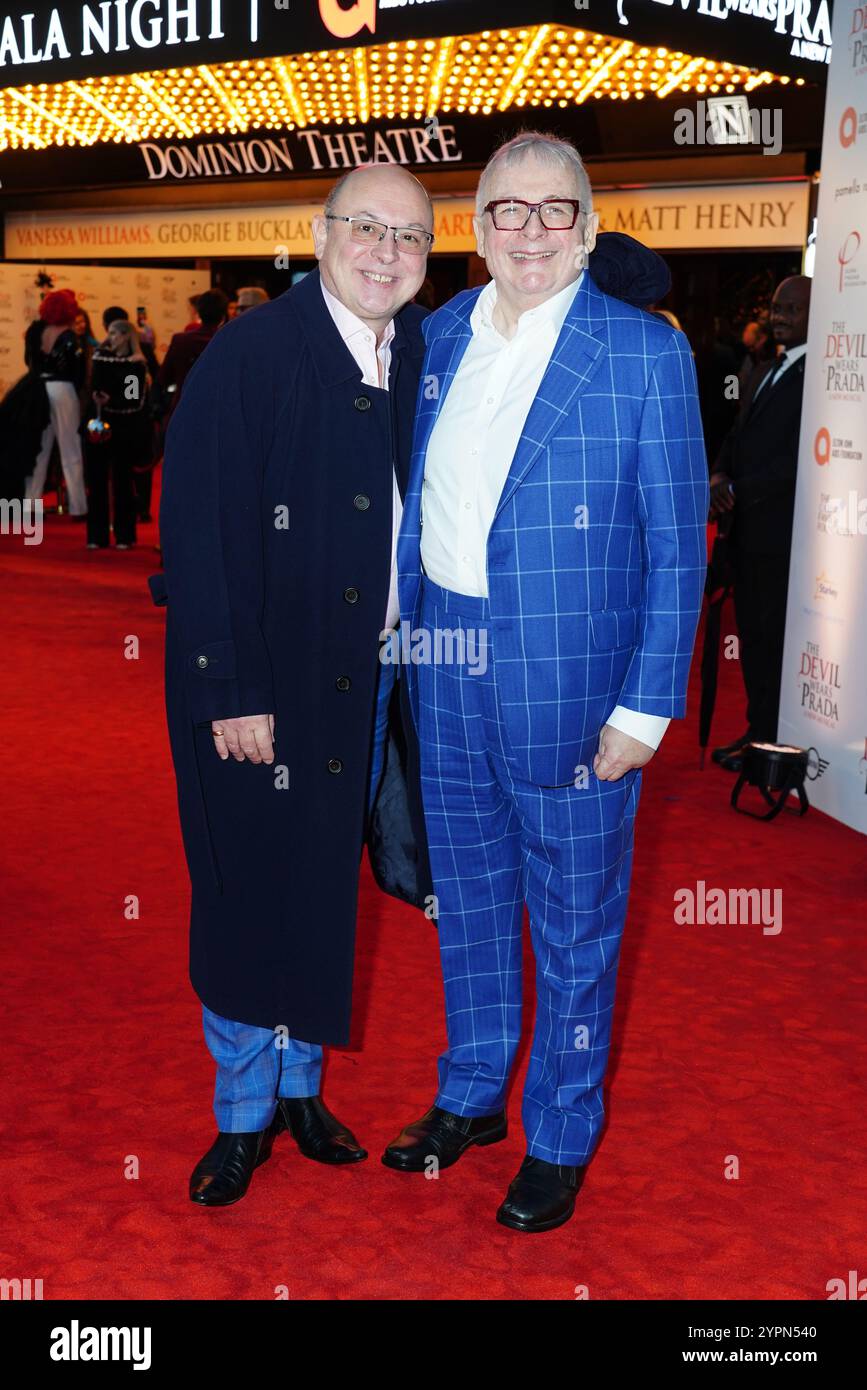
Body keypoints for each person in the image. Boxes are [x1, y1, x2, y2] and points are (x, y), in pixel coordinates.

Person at [385, 133, 709, 1233]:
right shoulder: (433, 338)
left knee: (577, 923)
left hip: (577, 681)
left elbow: (679, 543)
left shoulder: (643, 351)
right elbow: (409, 502)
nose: (530, 230)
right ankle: (472, 1093)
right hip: (445, 659)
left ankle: (561, 1131)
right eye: (508, 211)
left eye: (554, 209)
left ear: (588, 223)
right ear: (477, 227)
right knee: (466, 903)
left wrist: (647, 704)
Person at [156, 165, 437, 1208]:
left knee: (322, 884)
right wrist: (229, 686)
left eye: (410, 237)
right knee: (246, 894)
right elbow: (202, 531)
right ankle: (240, 1117)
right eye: (366, 228)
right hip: (259, 689)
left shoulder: (418, 353)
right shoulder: (253, 351)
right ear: (321, 236)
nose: (385, 252)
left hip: (366, 687)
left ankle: (300, 1089)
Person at [708, 277, 811, 769]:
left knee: (772, 644)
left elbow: (798, 458)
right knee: (750, 639)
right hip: (744, 537)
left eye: (793, 307)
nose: (780, 315)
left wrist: (742, 492)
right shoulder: (763, 369)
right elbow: (736, 435)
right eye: (776, 307)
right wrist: (719, 475)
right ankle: (757, 732)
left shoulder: (820, 377)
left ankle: (769, 739)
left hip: (784, 540)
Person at [84, 320, 151, 551]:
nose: (110, 337)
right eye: (109, 333)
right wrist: (97, 397)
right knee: (96, 481)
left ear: (126, 336)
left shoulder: (135, 366)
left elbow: (133, 399)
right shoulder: (100, 359)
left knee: (123, 483)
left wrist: (110, 400)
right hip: (99, 428)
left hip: (124, 430)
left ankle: (125, 535)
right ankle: (96, 535)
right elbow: (93, 385)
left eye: (115, 333)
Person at [24, 289, 87, 517]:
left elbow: (29, 361)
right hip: (63, 390)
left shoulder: (35, 332)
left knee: (39, 449)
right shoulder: (70, 337)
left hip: (38, 389)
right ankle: (78, 506)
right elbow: (77, 372)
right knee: (71, 448)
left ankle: (30, 504)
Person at [158, 288, 228, 420]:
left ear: (198, 312)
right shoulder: (229, 341)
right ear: (223, 315)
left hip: (183, 408)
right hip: (218, 412)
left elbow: (163, 377)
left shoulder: (180, 340)